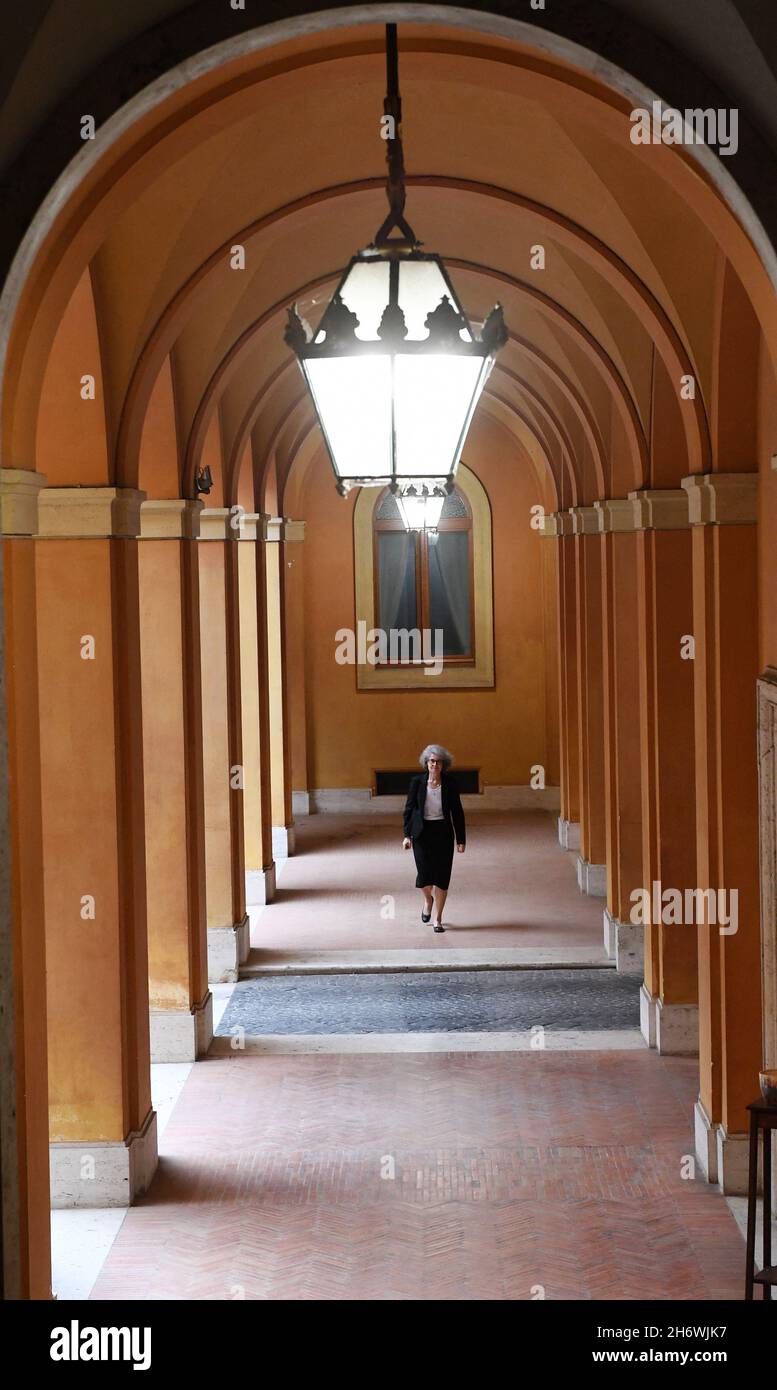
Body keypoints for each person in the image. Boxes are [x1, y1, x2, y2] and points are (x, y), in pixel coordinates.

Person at [402, 744, 466, 932]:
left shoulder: (451, 783)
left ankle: (438, 919)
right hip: (422, 833)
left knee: (442, 877)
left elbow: (457, 812)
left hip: (443, 833)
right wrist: (407, 835)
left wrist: (461, 840)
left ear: (443, 765)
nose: (435, 764)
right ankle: (427, 899)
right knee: (424, 877)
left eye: (438, 762)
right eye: (431, 761)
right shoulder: (417, 782)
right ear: (426, 763)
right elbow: (408, 809)